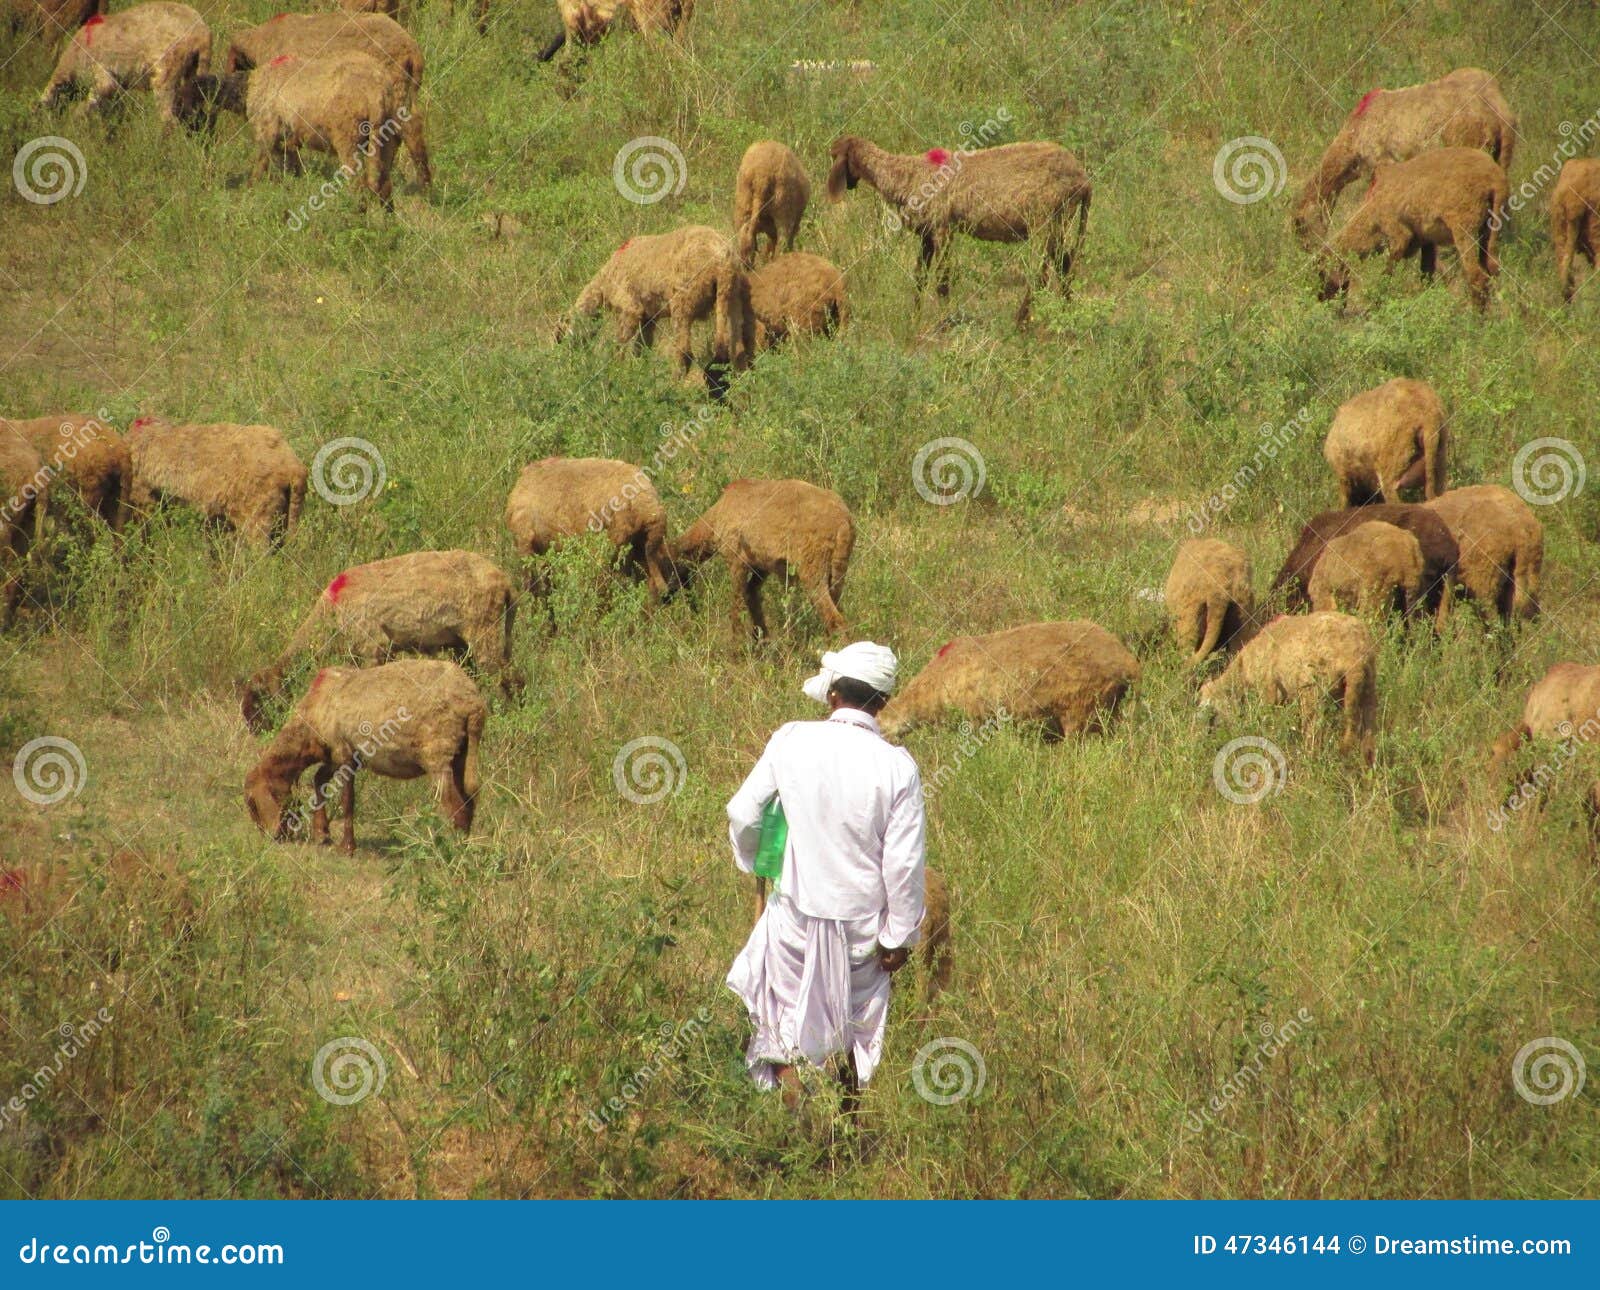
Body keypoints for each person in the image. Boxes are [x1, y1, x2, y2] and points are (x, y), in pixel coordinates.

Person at [724, 641, 926, 1108]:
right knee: (855, 1026)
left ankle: (796, 1127)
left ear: (833, 695)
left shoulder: (791, 739)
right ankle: (845, 1125)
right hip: (862, 930)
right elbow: (903, 864)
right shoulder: (898, 767)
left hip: (795, 918)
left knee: (783, 1024)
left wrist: (756, 858)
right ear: (882, 702)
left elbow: (743, 812)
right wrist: (899, 937)